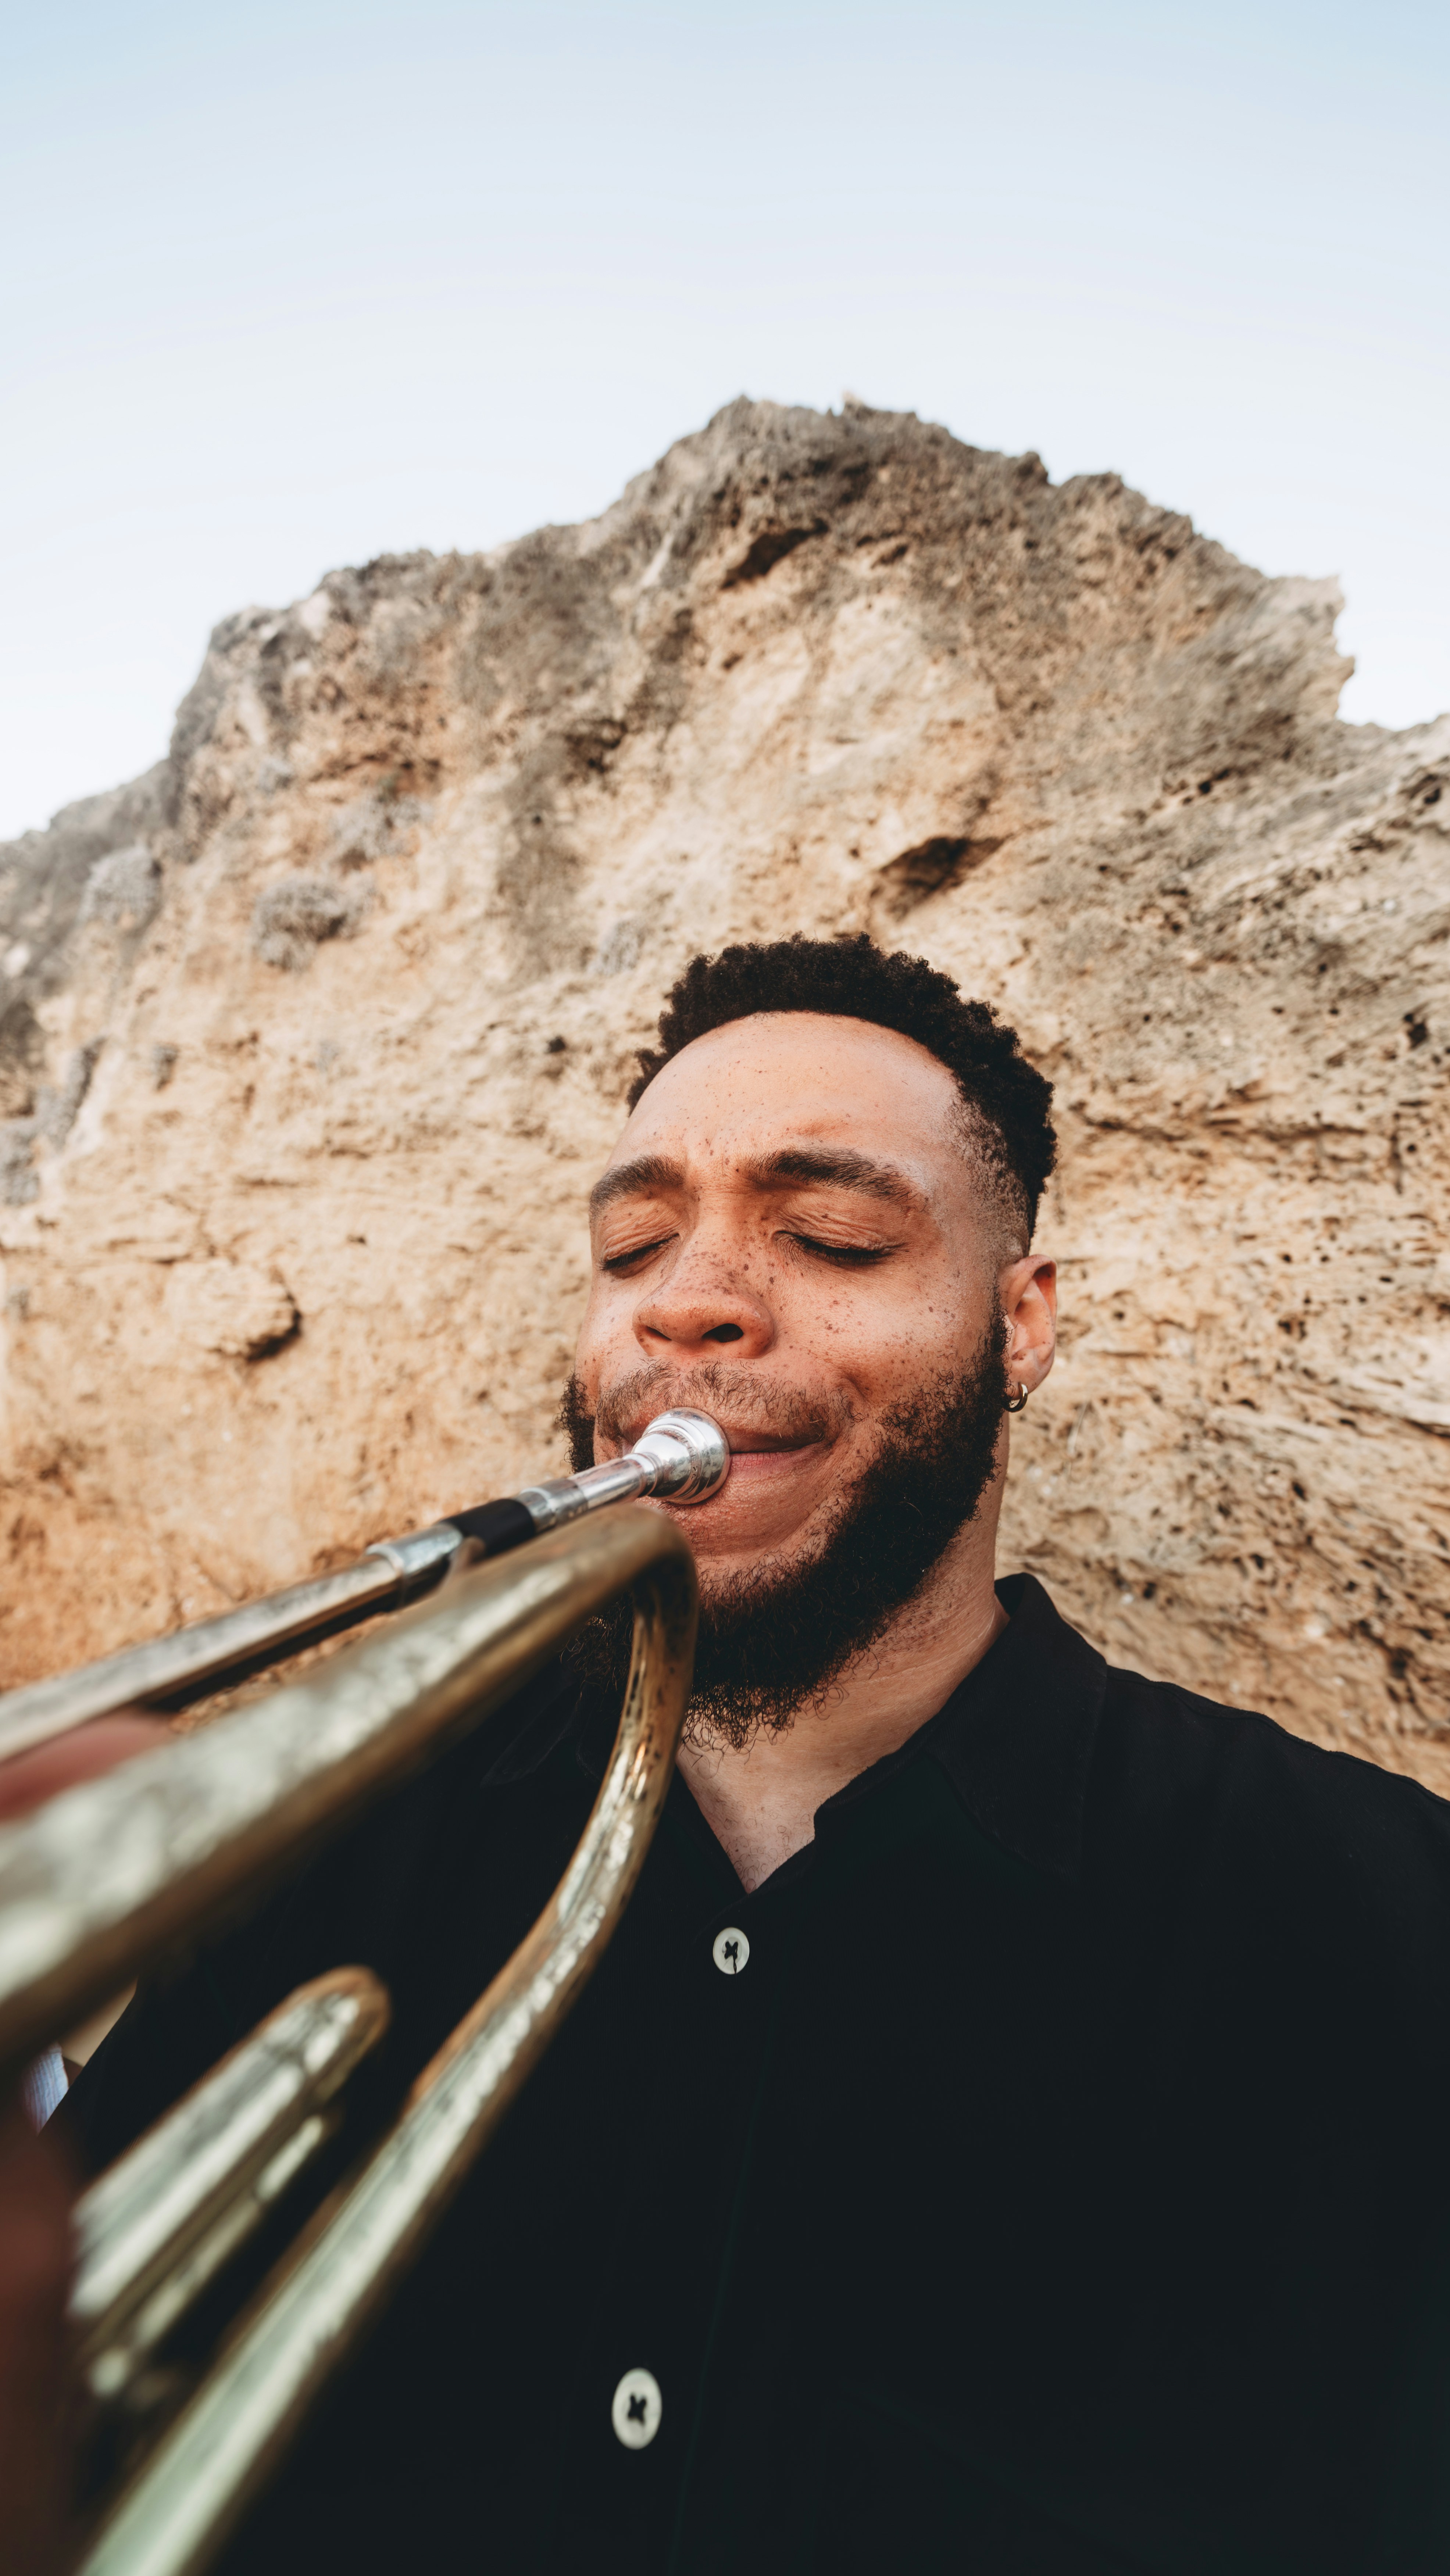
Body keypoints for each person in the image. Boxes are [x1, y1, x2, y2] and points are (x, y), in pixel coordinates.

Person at [57, 934, 1450, 2575]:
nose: (686, 1299)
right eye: (632, 1240)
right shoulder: (319, 1847)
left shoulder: (1371, 1919)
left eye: (832, 1236)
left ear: (1023, 1328)